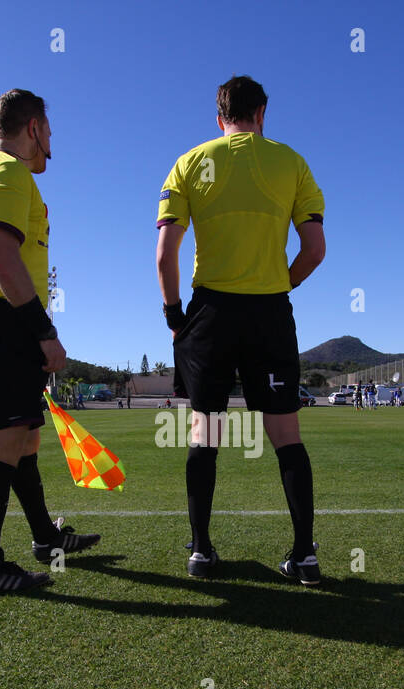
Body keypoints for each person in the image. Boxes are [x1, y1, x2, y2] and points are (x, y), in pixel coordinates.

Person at [156, 75, 326, 584]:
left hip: (209, 314)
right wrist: (278, 285)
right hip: (269, 312)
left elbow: (165, 254)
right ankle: (304, 556)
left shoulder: (190, 162)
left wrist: (175, 317)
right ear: (263, 112)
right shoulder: (291, 162)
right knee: (286, 437)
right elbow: (315, 251)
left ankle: (202, 552)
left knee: (204, 433)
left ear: (218, 116)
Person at [0, 89, 100, 594]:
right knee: (2, 442)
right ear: (35, 127)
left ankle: (45, 540)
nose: (51, 143)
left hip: (0, 320)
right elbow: (1, 257)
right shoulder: (10, 173)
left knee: (25, 437)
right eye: (50, 131)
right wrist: (45, 331)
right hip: (3, 322)